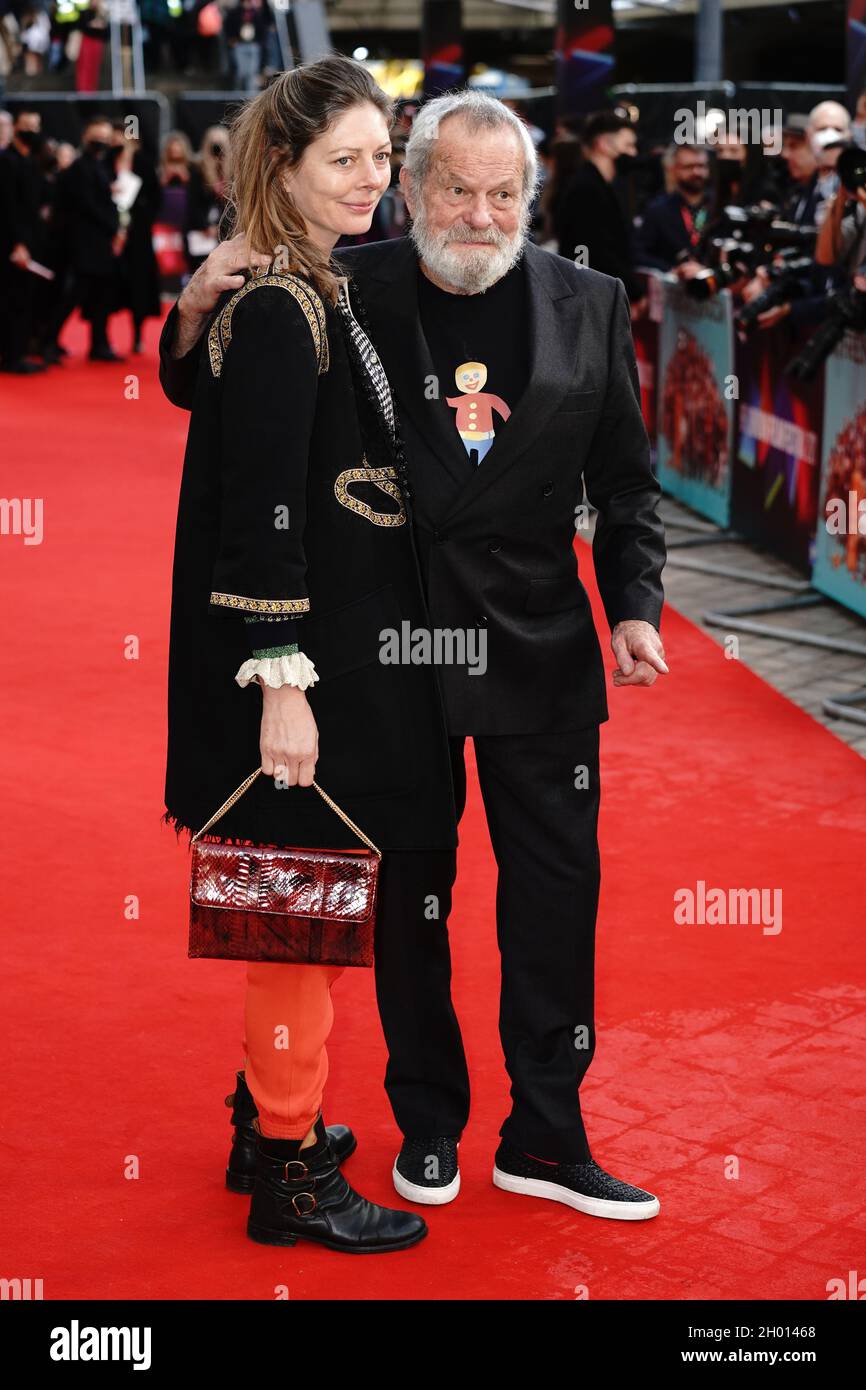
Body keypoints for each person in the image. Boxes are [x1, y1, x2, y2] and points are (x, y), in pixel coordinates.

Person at [161, 88, 668, 1223]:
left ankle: (545, 1131)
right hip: (391, 650)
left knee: (552, 897)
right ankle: (424, 1120)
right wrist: (193, 307)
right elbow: (236, 410)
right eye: (453, 186)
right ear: (415, 185)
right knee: (403, 899)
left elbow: (624, 478)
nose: (478, 213)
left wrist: (632, 600)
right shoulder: (344, 281)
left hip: (539, 647)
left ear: (530, 200)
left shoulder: (588, 301)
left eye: (503, 194)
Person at [160, 55, 461, 1251]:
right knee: (299, 912)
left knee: (307, 902)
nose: (370, 180)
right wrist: (282, 683)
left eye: (381, 158)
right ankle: (289, 1171)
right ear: (279, 168)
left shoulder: (298, 287)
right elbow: (264, 509)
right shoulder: (285, 303)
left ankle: (259, 1126)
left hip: (327, 654)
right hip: (295, 669)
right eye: (343, 159)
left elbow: (214, 401)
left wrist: (189, 308)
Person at [555, 109, 645, 306]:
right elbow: (595, 251)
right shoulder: (586, 188)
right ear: (603, 144)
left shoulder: (596, 185)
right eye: (628, 145)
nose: (633, 153)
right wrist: (633, 290)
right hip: (591, 299)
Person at [633, 143, 712, 273]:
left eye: (701, 166)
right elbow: (638, 254)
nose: (696, 172)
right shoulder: (657, 210)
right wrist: (672, 270)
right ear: (673, 170)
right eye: (689, 167)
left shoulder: (719, 207)